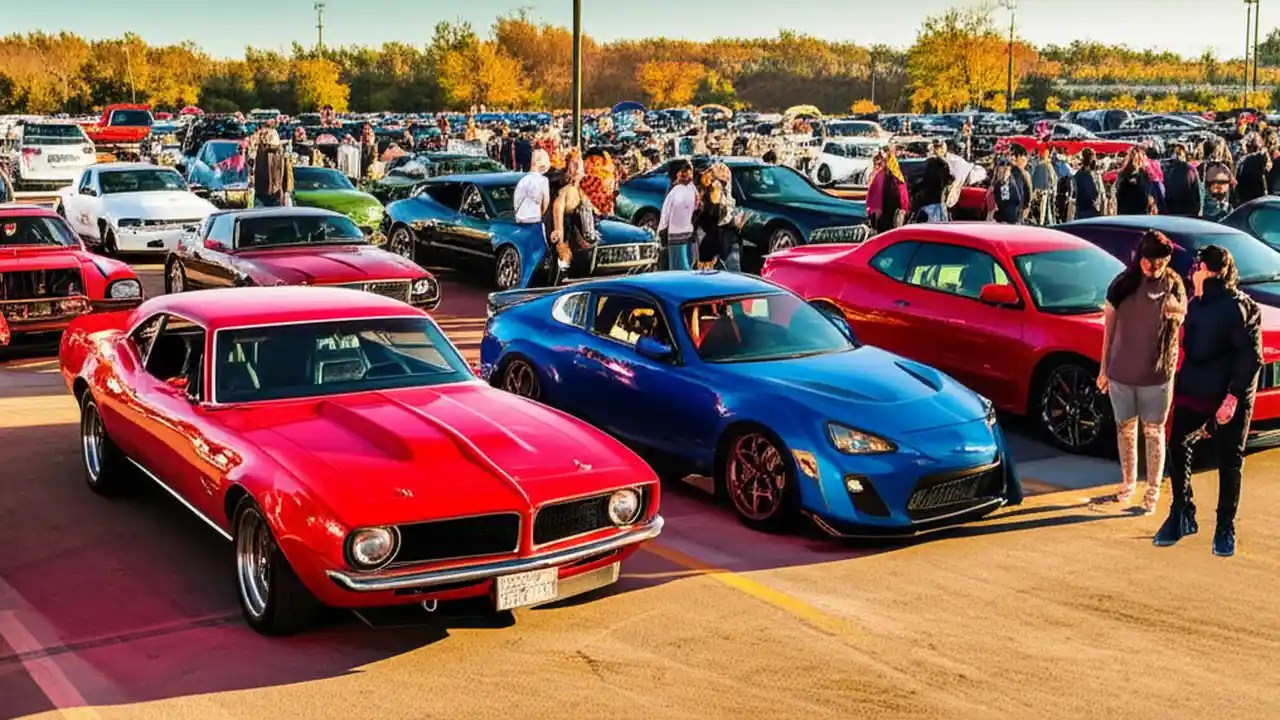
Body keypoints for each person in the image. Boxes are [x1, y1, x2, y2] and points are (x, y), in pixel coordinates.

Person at [1155, 245, 1263, 558]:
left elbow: (1251, 357)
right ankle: (1182, 511)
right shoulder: (1196, 304)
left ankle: (1225, 526)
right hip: (1196, 387)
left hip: (1230, 392)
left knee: (1230, 461)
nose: (1192, 272)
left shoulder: (1238, 307)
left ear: (1210, 270)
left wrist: (1232, 397)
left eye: (1197, 267)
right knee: (1178, 445)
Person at [1097, 231, 1186, 513]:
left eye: (1160, 261)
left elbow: (1182, 318)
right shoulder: (1122, 284)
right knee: (1125, 429)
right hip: (1122, 371)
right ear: (1139, 258)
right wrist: (1104, 369)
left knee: (1154, 431)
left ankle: (1153, 490)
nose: (1154, 266)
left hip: (1159, 373)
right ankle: (1128, 483)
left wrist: (1178, 313)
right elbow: (1108, 331)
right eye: (1149, 261)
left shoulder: (1174, 284)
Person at [550, 151, 598, 279]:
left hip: (581, 237)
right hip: (567, 233)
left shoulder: (581, 190)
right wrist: (559, 232)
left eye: (579, 165)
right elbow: (557, 211)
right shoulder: (563, 192)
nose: (578, 169)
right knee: (566, 258)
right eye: (574, 165)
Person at [657, 158, 698, 271]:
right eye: (687, 170)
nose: (690, 173)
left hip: (686, 233)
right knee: (681, 266)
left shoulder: (689, 187)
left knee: (684, 265)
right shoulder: (676, 190)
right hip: (677, 234)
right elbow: (666, 214)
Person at [514, 148, 554, 256]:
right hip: (535, 219)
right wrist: (542, 215)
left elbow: (517, 200)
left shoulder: (523, 180)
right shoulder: (543, 180)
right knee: (539, 250)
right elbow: (546, 202)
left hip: (521, 218)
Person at [866, 148, 908, 234]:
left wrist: (874, 211)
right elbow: (904, 196)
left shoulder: (881, 175)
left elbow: (876, 195)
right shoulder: (898, 175)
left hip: (884, 214)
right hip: (895, 214)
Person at [252, 129, 293, 207]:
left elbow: (288, 176)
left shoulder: (281, 154)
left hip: (276, 194)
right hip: (262, 194)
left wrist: (287, 192)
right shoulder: (259, 152)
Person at [916, 139, 953, 222]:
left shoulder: (930, 164)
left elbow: (925, 181)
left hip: (930, 201)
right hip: (936, 202)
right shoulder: (942, 165)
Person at [1113, 147, 1157, 215]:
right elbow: (1146, 194)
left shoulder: (1122, 175)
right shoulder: (1143, 175)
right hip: (1140, 212)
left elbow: (1118, 192)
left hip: (1124, 213)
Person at [985, 157, 1027, 224]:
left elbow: (1019, 199)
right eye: (1002, 171)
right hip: (1003, 218)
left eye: (1007, 170)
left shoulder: (1014, 183)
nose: (1004, 173)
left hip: (1011, 217)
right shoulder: (997, 185)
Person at [1163, 143, 1201, 217]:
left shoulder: (1167, 171)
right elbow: (1196, 191)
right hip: (1189, 209)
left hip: (1173, 210)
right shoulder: (1191, 170)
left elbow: (1166, 191)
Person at [1069, 148, 1106, 220]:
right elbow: (1102, 194)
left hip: (1081, 211)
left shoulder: (1077, 175)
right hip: (1094, 210)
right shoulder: (1095, 175)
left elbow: (1074, 194)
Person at [1235, 135, 1270, 203]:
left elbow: (1237, 176)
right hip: (1258, 194)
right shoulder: (1263, 157)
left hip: (1246, 194)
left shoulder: (1243, 159)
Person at [1030, 145, 1060, 225]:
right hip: (1041, 193)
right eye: (1047, 154)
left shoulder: (1047, 166)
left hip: (1046, 193)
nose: (1048, 157)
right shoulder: (1040, 166)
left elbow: (1053, 179)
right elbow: (1035, 180)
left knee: (1045, 213)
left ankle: (1043, 223)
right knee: (1042, 214)